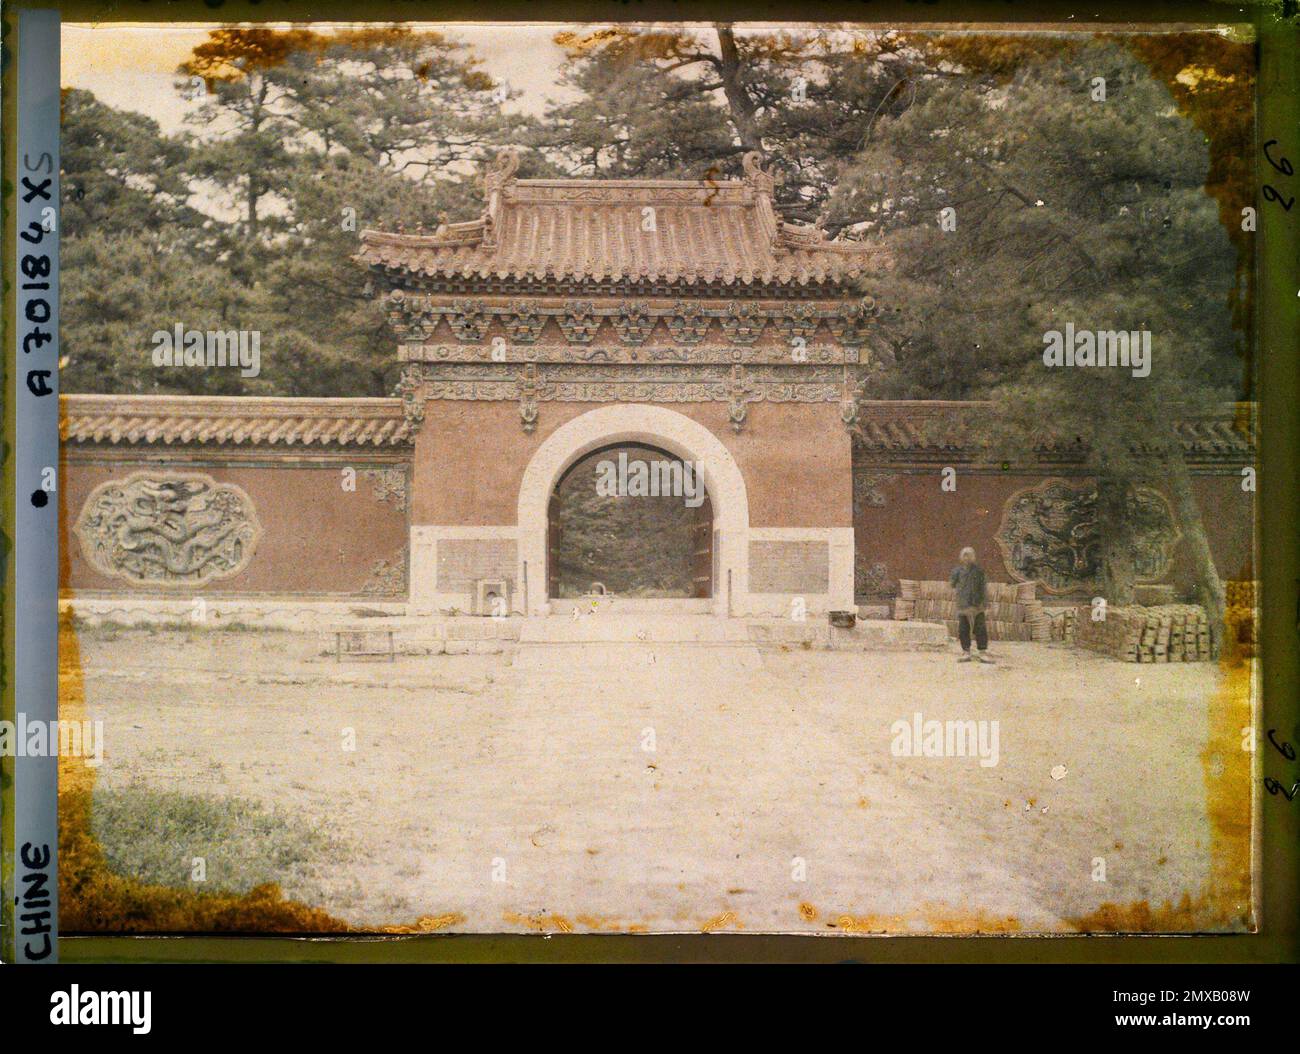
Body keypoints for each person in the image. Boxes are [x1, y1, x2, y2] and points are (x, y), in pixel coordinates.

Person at [949, 546, 991, 663]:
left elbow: (984, 588)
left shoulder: (979, 571)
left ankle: (982, 653)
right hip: (963, 604)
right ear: (961, 557)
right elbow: (952, 585)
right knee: (963, 629)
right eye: (965, 555)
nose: (967, 558)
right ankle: (966, 652)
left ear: (974, 557)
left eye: (970, 555)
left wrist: (985, 603)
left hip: (977, 605)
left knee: (980, 628)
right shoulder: (957, 571)